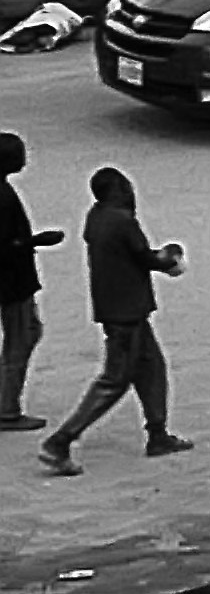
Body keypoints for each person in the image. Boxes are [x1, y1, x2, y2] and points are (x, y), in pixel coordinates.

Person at [38, 166, 187, 472]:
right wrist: (168, 258)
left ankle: (158, 434)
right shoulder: (123, 221)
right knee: (114, 380)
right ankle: (60, 441)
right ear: (119, 192)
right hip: (127, 311)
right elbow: (145, 257)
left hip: (115, 308)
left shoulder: (96, 216)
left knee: (151, 368)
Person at [0, 132, 56, 431]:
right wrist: (37, 240)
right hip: (13, 282)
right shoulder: (4, 197)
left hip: (11, 280)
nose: (25, 157)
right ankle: (7, 409)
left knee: (24, 334)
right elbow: (7, 246)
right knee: (21, 338)